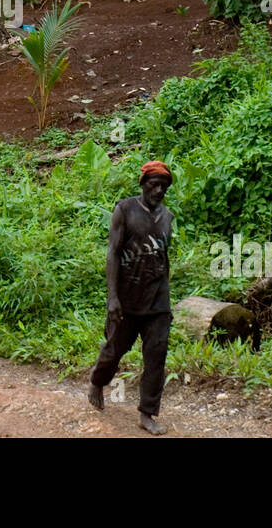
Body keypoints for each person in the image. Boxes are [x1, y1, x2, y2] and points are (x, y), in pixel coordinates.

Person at [88, 160, 175, 435]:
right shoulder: (124, 210)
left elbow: (163, 257)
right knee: (114, 350)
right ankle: (97, 381)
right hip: (127, 298)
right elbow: (113, 252)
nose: (159, 190)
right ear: (143, 184)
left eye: (163, 186)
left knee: (156, 355)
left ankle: (147, 414)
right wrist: (112, 297)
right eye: (154, 184)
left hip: (158, 299)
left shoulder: (168, 217)